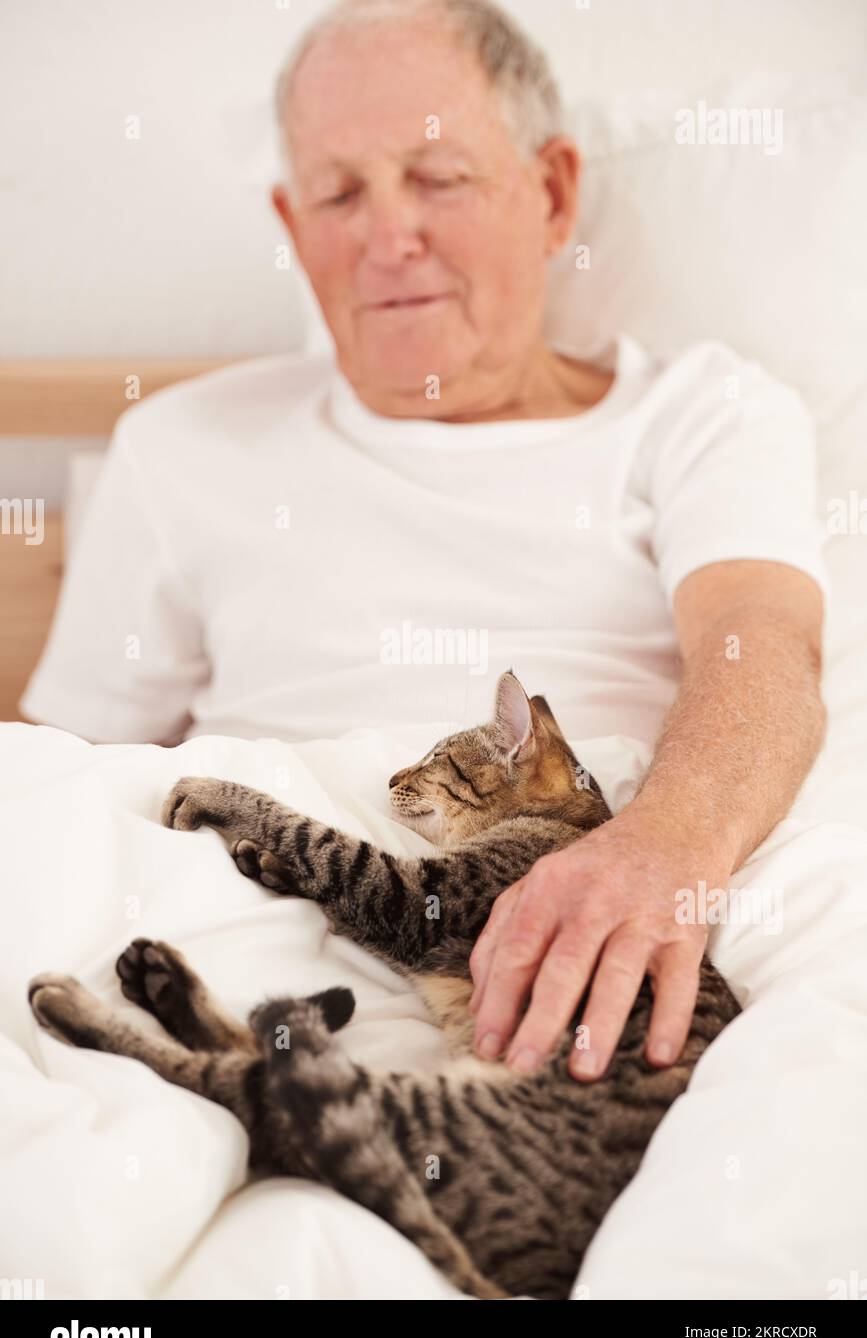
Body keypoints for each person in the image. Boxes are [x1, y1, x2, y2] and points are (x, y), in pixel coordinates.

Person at [20, 0, 828, 1085]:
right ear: (294, 225)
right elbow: (55, 783)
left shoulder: (703, 414)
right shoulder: (175, 446)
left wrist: (661, 851)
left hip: (533, 949)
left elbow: (763, 646)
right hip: (223, 919)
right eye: (339, 193)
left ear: (551, 193)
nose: (387, 236)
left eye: (439, 179)